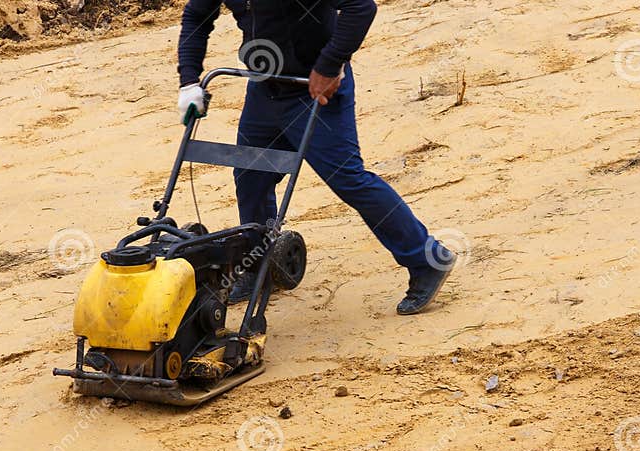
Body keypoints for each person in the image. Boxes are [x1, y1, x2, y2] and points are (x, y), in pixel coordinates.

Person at [176, 0, 455, 315]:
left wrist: (329, 65)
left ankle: (426, 260)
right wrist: (189, 82)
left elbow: (361, 7)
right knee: (251, 178)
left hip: (315, 90)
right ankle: (259, 266)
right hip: (265, 89)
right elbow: (197, 15)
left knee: (348, 179)